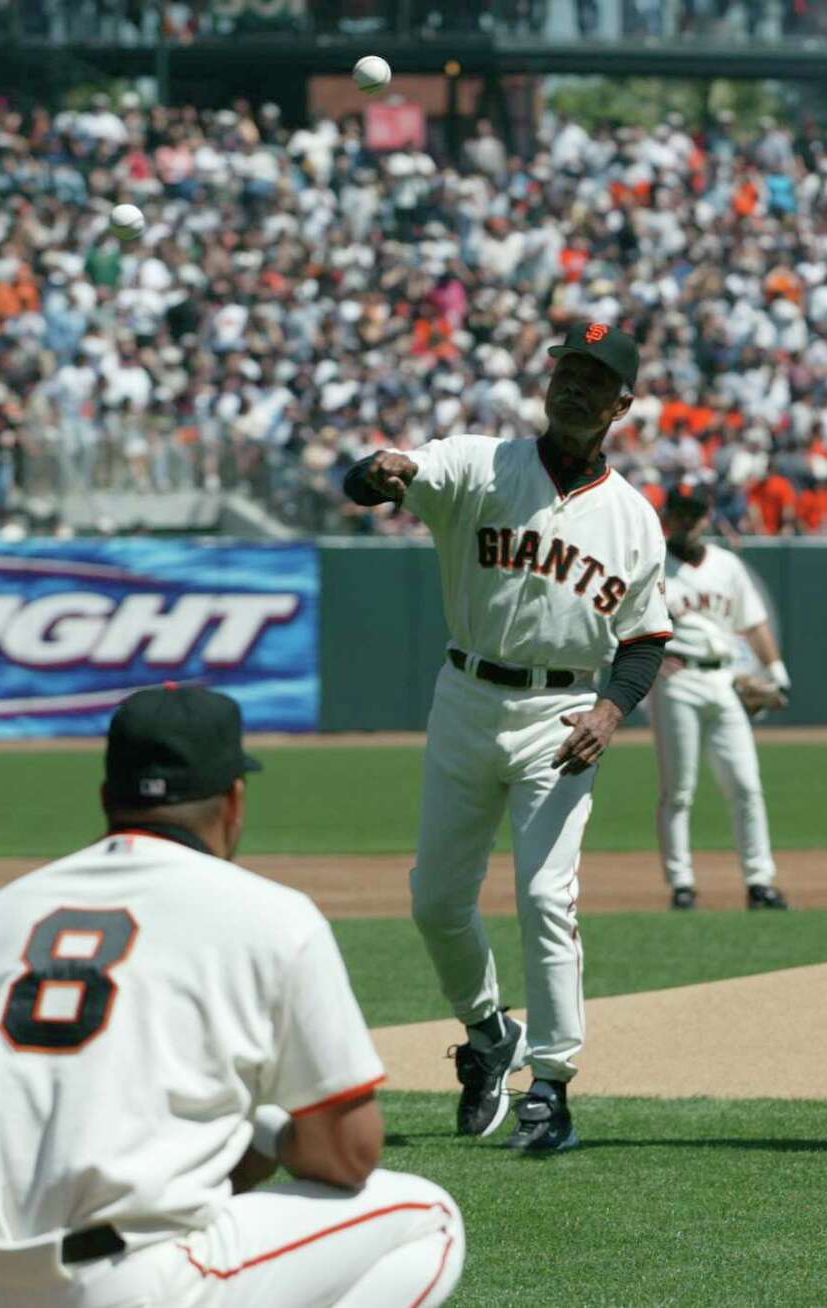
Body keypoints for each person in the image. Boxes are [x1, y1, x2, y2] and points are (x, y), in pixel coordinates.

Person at [0, 686, 464, 1307]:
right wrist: (266, 1134)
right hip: (126, 1284)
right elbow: (349, 1151)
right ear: (234, 800)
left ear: (106, 796)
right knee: (431, 1219)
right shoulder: (272, 916)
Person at [342, 323, 672, 1154]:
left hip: (561, 716)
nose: (574, 387)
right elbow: (385, 477)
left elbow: (643, 640)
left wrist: (611, 712)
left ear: (621, 406)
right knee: (435, 900)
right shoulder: (480, 463)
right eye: (566, 371)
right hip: (465, 698)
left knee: (546, 896)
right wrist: (382, 471)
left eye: (594, 380)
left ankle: (551, 1084)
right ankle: (489, 1032)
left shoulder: (633, 518)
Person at [649, 483, 792, 911]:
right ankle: (682, 884)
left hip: (725, 679)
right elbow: (624, 622)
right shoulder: (654, 565)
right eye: (682, 513)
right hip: (678, 682)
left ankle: (760, 882)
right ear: (668, 518)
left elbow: (754, 622)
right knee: (679, 789)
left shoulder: (727, 565)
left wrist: (776, 674)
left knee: (746, 785)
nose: (689, 522)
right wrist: (651, 662)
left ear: (707, 517)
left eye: (696, 513)